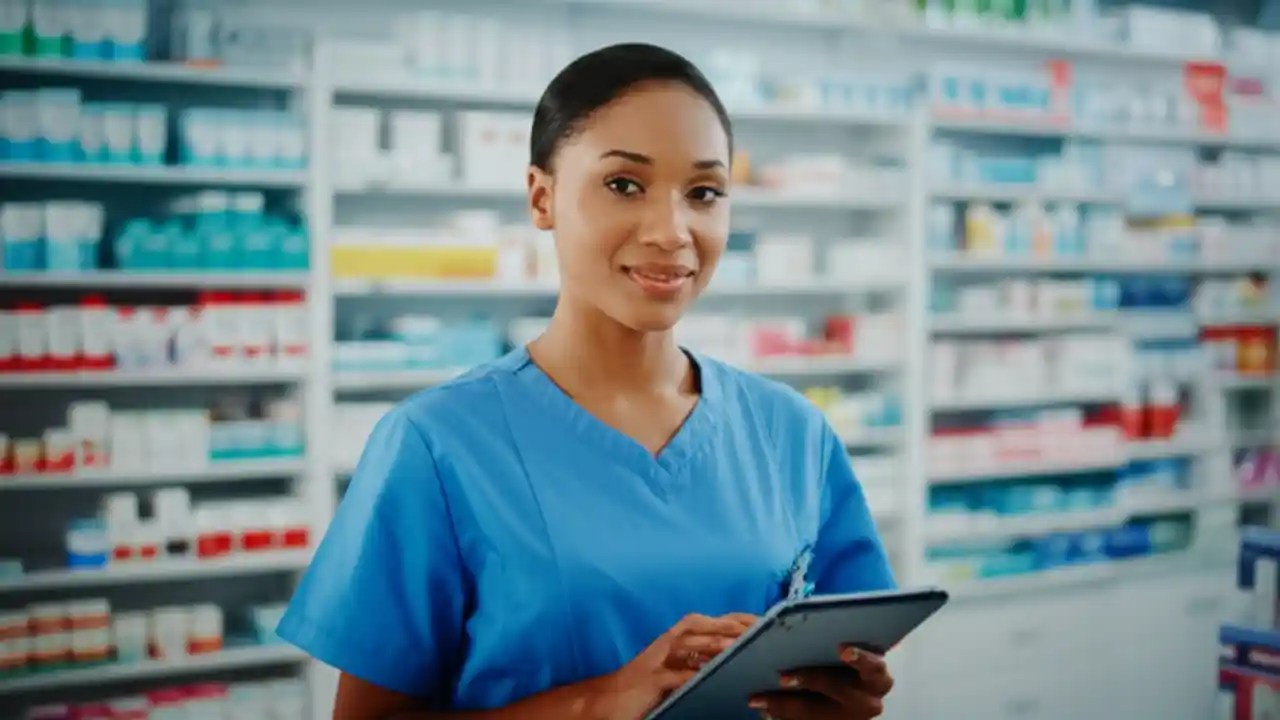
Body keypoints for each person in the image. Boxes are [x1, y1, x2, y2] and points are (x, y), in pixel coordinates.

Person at [278, 42, 896, 720]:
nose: (672, 231)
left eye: (703, 193)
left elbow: (842, 658)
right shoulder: (435, 444)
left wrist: (838, 700)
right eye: (624, 185)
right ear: (541, 197)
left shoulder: (790, 431)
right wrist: (597, 703)